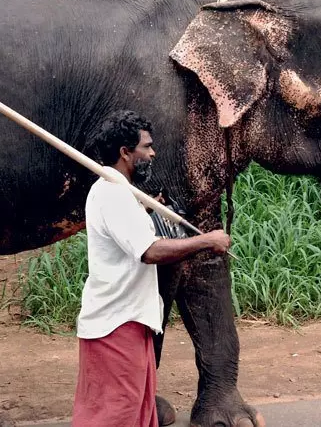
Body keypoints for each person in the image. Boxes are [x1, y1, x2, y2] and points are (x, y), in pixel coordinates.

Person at [72, 110, 231, 427]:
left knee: (138, 414)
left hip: (130, 321)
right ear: (125, 152)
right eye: (146, 146)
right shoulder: (113, 193)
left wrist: (143, 208)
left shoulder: (119, 193)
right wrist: (206, 240)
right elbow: (150, 250)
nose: (152, 152)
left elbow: (130, 236)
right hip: (116, 326)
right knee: (116, 416)